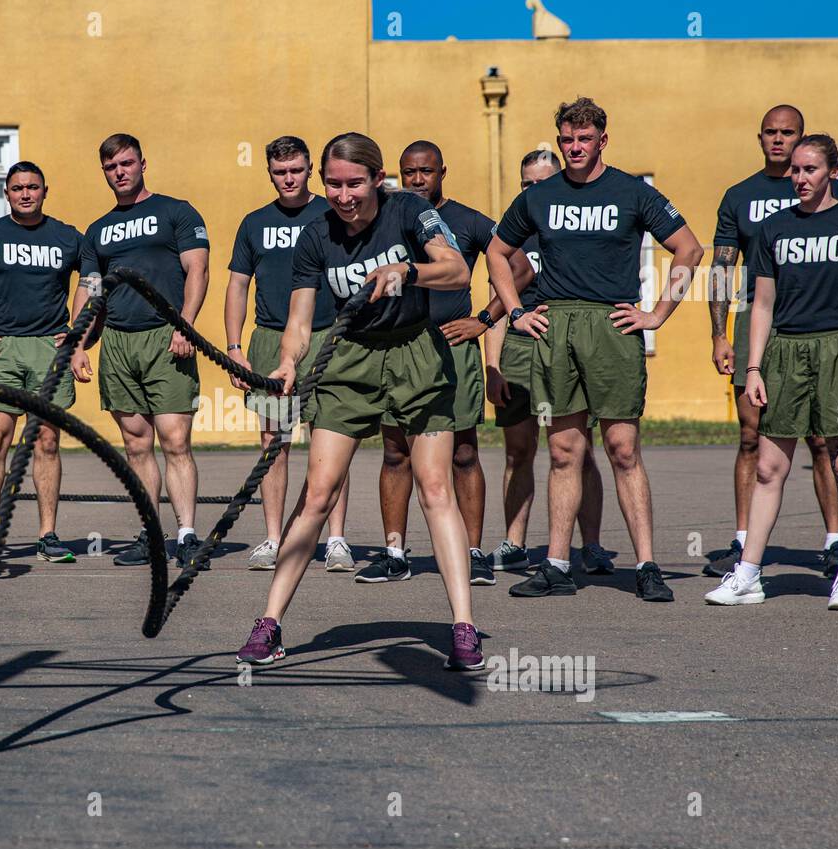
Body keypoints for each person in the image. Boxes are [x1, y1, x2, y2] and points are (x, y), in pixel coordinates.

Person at [235, 132, 485, 672]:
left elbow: (458, 269)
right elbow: (300, 320)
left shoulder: (410, 212)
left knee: (435, 488)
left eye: (354, 184)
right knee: (318, 494)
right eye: (333, 184)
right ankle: (270, 623)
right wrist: (287, 363)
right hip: (349, 361)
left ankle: (463, 628)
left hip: (418, 352)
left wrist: (407, 270)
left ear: (376, 179)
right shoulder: (315, 235)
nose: (343, 196)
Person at [486, 97, 704, 602]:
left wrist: (656, 314)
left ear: (602, 140)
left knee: (623, 449)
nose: (575, 147)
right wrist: (517, 310)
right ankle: (558, 565)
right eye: (566, 139)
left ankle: (648, 565)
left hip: (612, 325)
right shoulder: (540, 196)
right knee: (564, 449)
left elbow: (689, 249)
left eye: (584, 139)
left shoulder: (632, 191)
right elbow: (497, 252)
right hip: (556, 324)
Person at [705, 134, 838, 611]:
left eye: (810, 170)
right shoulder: (773, 229)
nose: (800, 178)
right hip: (784, 350)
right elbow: (761, 303)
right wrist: (755, 366)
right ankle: (748, 573)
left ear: (832, 174)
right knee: (768, 466)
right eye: (796, 171)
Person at [352, 140, 519, 586]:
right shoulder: (391, 217)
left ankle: (474, 552)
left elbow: (518, 267)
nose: (417, 180)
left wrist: (483, 321)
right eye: (409, 173)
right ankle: (393, 552)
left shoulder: (466, 221)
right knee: (394, 452)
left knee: (464, 452)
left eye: (426, 171)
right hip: (398, 348)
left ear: (443, 171)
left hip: (452, 348)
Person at [71, 134, 208, 569]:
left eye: (127, 163)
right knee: (136, 444)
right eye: (111, 167)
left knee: (175, 440)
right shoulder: (96, 231)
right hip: (119, 342)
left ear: (142, 164)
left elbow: (198, 269)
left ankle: (187, 535)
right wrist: (77, 343)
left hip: (166, 337)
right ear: (105, 172)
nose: (120, 172)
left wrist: (184, 325)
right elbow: (90, 290)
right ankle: (152, 534)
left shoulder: (176, 212)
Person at [225, 135, 353, 572]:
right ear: (269, 173)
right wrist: (235, 348)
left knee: (331, 437)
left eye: (296, 170)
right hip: (270, 339)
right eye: (280, 172)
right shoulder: (254, 222)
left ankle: (335, 539)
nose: (288, 179)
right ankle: (273, 538)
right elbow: (238, 285)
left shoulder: (332, 213)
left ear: (310, 170)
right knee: (273, 442)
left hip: (328, 336)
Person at [485, 149, 611, 574]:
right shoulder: (511, 236)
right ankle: (514, 542)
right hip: (521, 349)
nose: (534, 191)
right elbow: (498, 308)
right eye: (526, 184)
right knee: (518, 449)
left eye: (542, 183)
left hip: (570, 344)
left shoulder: (576, 230)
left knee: (579, 449)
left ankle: (590, 545)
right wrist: (493, 366)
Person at [0, 161, 82, 567]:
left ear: (46, 190)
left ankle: (47, 534)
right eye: (17, 188)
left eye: (32, 187)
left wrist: (80, 332)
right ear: (6, 192)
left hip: (49, 347)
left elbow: (97, 281)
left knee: (47, 440)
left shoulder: (68, 237)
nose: (25, 194)